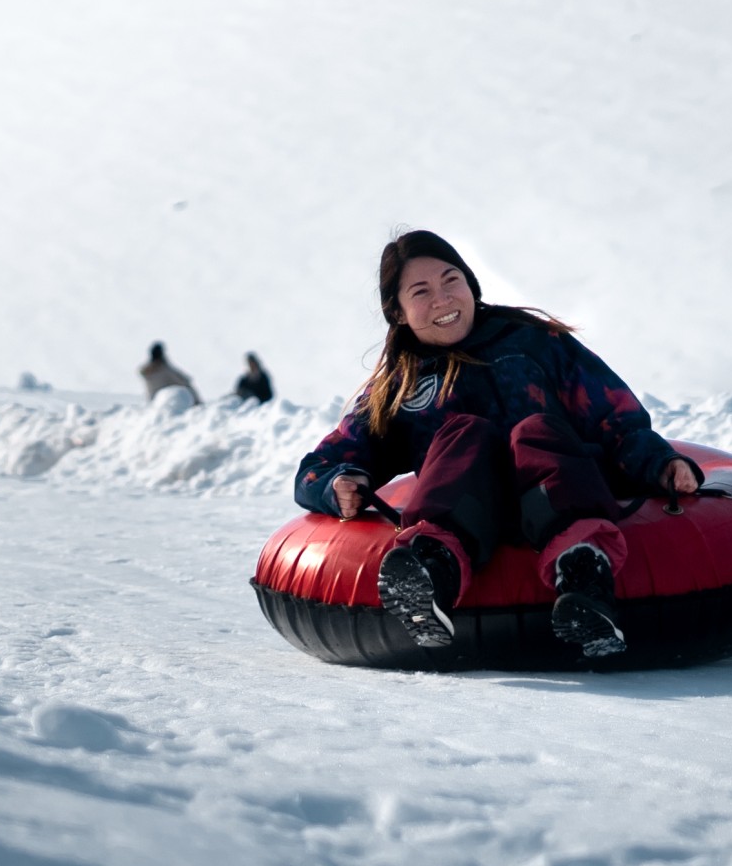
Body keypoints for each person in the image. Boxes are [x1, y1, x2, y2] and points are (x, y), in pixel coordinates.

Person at [293, 230, 701, 659]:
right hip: (465, 510)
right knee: (464, 434)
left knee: (535, 431)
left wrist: (660, 464)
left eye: (451, 280)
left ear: (471, 283)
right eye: (421, 291)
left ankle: (584, 582)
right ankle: (431, 575)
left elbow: (616, 419)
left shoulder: (534, 343)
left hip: (556, 496)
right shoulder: (399, 388)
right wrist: (338, 482)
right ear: (397, 311)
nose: (443, 299)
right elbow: (322, 465)